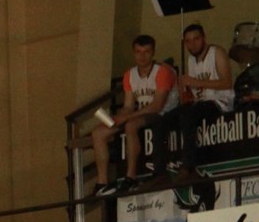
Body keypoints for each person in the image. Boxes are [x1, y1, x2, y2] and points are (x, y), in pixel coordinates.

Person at [93, 33, 181, 196]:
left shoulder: (162, 71)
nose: (142, 56)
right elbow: (128, 105)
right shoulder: (130, 75)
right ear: (134, 53)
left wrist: (126, 117)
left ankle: (131, 176)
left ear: (153, 53)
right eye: (138, 52)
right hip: (141, 113)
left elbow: (156, 106)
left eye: (146, 52)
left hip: (164, 113)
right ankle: (102, 182)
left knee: (130, 125)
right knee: (98, 133)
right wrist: (117, 117)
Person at [166, 22, 234, 171]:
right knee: (166, 118)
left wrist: (195, 81)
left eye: (196, 39)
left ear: (204, 38)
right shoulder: (191, 60)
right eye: (188, 41)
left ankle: (189, 165)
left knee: (188, 115)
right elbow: (196, 90)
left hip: (220, 101)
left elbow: (227, 83)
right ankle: (166, 166)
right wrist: (185, 92)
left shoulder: (217, 53)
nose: (192, 44)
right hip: (201, 102)